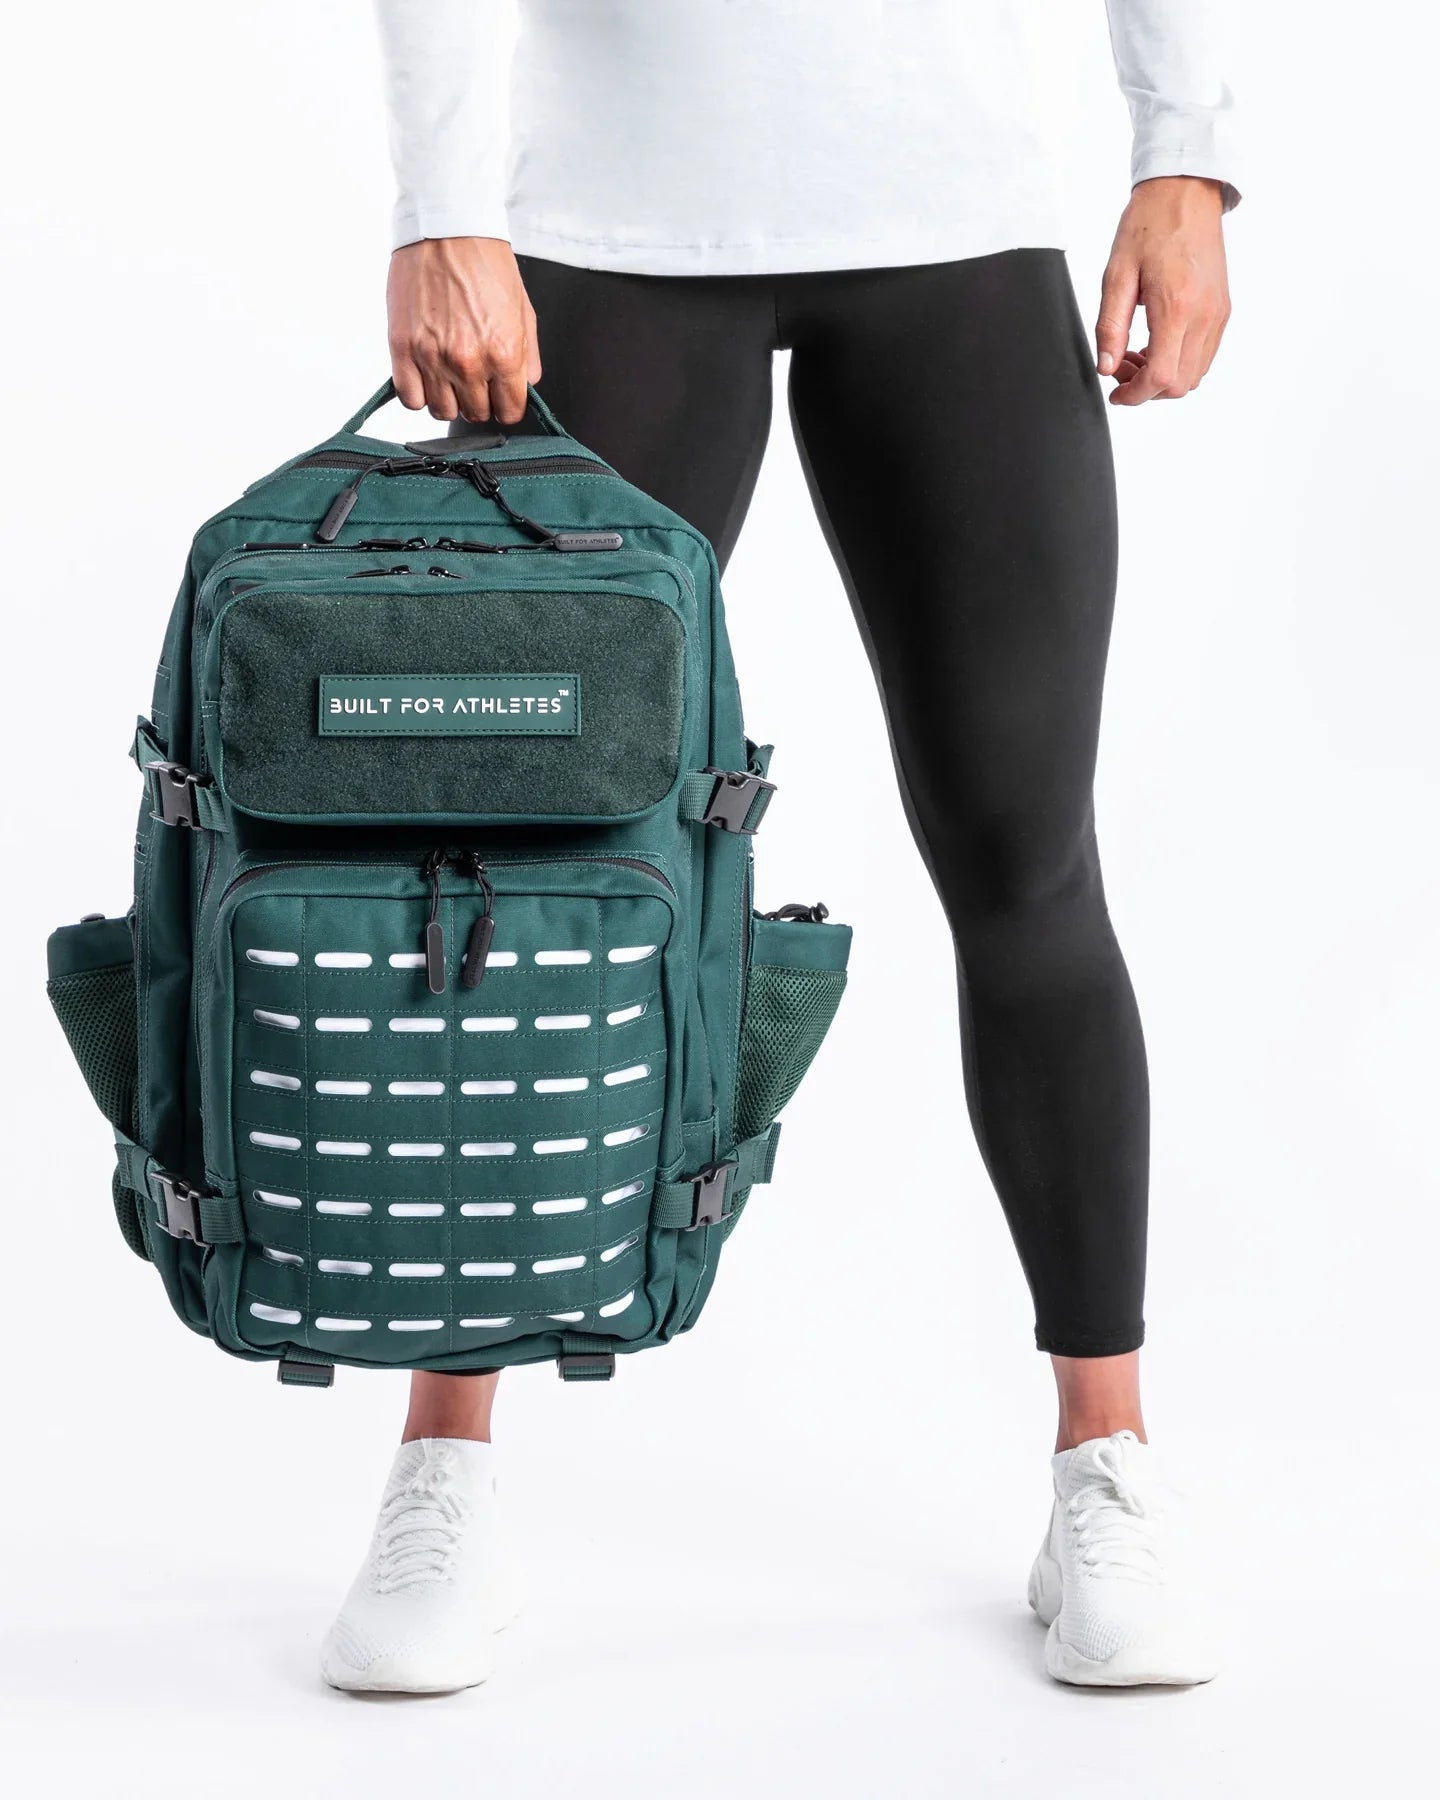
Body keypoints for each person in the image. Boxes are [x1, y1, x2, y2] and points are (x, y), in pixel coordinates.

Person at [320, 0, 1239, 1695]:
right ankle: (444, 1464)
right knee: (516, 871)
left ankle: (1104, 1464)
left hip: (954, 222)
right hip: (608, 230)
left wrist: (1184, 157)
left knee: (1025, 851)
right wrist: (440, 206)